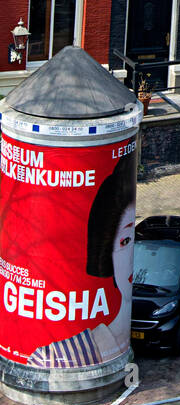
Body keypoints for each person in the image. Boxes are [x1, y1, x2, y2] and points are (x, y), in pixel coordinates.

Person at [27, 152, 138, 369]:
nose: (131, 253)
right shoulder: (49, 357)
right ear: (107, 248)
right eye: (124, 240)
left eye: (133, 238)